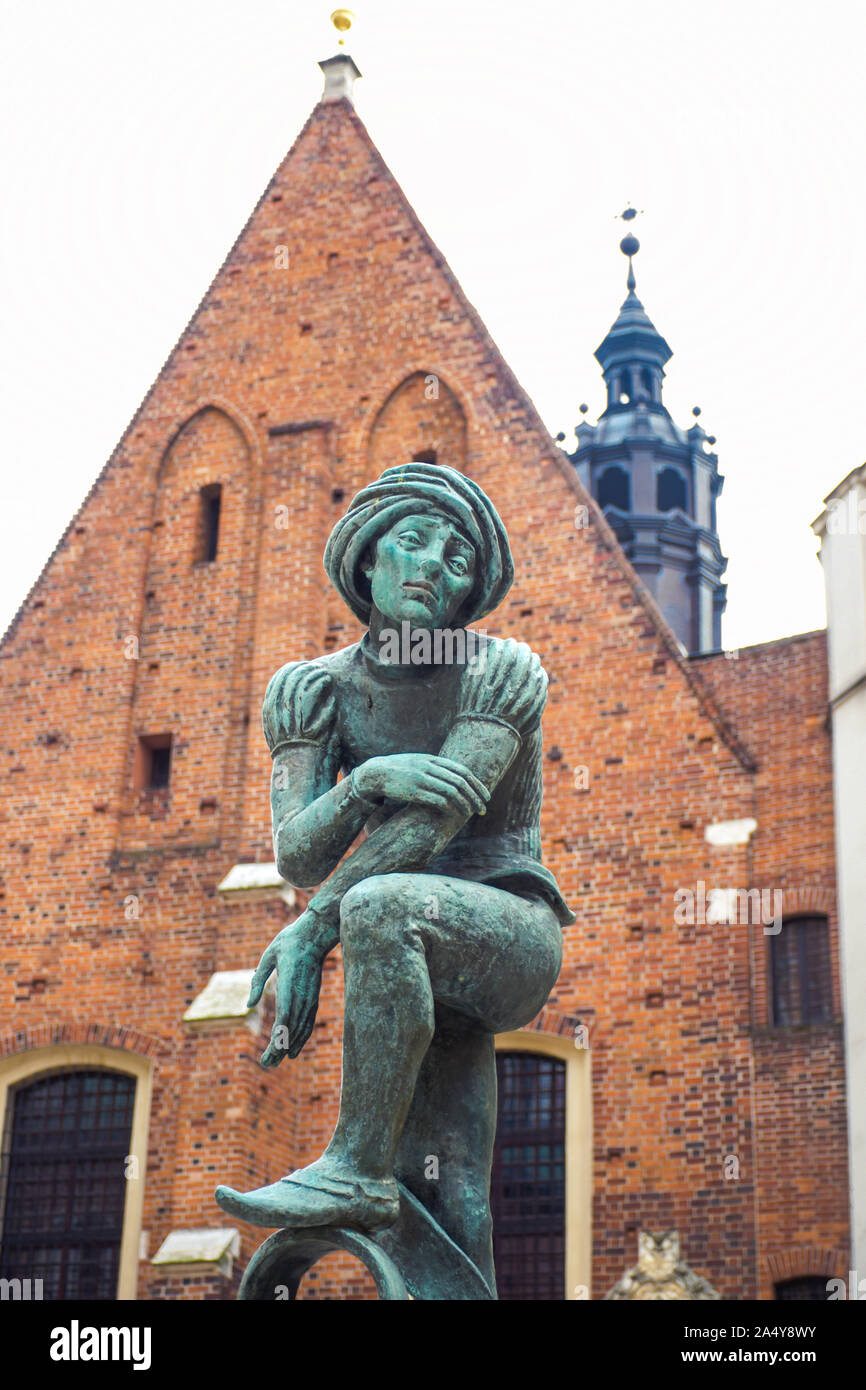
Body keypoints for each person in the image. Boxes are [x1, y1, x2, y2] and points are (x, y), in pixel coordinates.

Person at [215, 463, 574, 1292]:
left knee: (380, 906)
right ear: (367, 559)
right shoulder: (314, 691)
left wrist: (314, 927)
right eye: (411, 542)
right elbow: (299, 854)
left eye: (456, 559)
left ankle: (356, 1167)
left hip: (509, 935)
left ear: (467, 591)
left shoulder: (499, 672)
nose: (430, 566)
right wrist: (368, 781)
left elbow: (435, 824)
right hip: (412, 943)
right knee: (459, 1205)